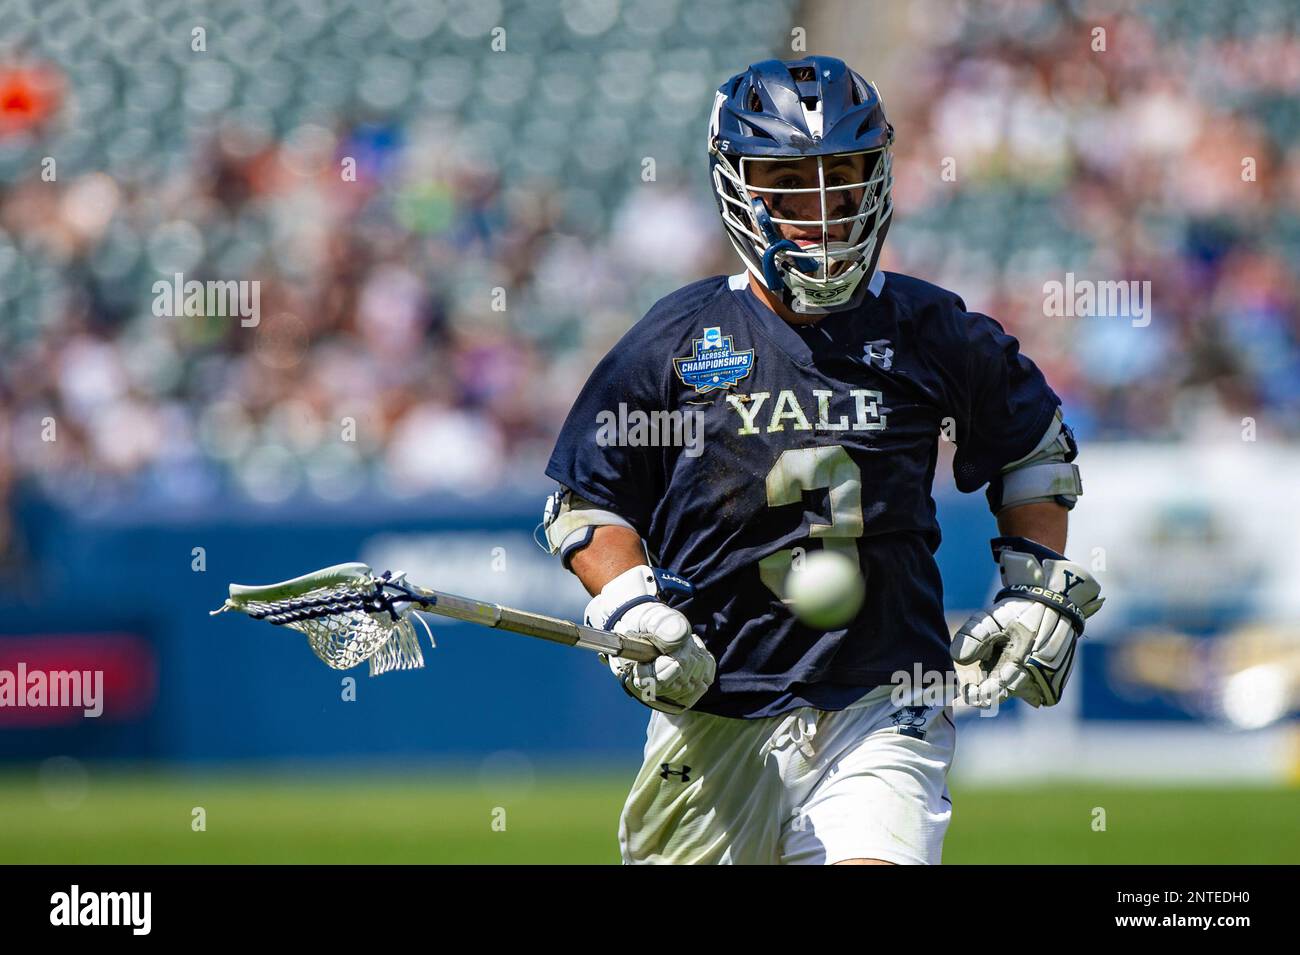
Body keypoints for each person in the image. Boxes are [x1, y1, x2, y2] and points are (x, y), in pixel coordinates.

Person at [541, 56, 1103, 865]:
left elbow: (1034, 448)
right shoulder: (677, 337)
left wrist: (1032, 583)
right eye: (786, 181)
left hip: (886, 699)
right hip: (716, 707)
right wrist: (631, 602)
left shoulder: (929, 329)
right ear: (738, 186)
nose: (820, 209)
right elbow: (589, 503)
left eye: (840, 176)